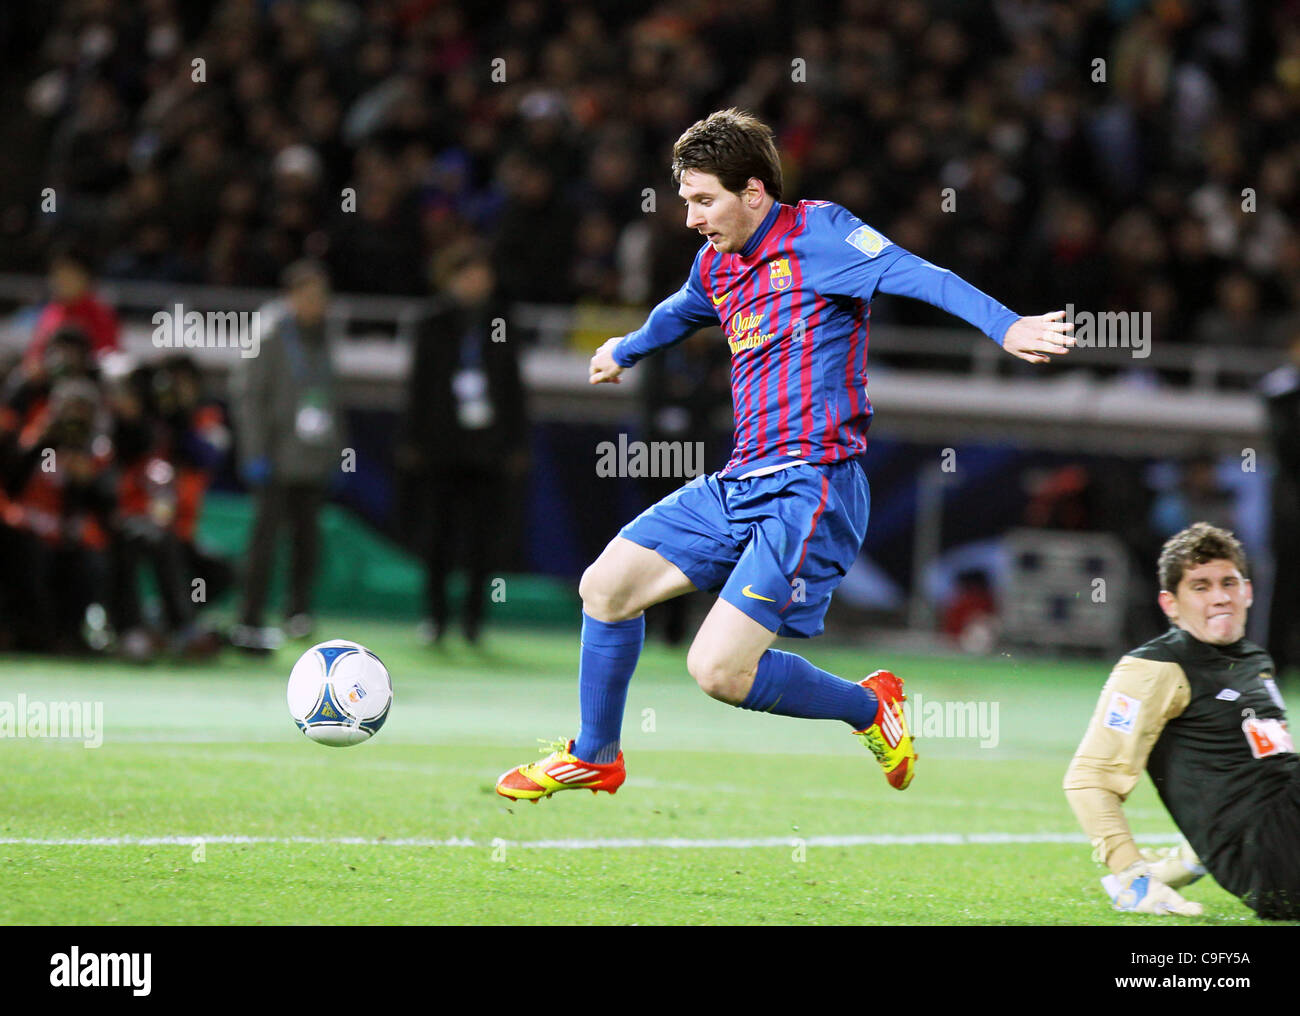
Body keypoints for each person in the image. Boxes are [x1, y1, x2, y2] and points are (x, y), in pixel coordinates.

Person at [497, 109, 1075, 802]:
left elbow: (919, 274)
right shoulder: (717, 262)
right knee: (606, 588)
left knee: (717, 673)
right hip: (741, 479)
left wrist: (1006, 324)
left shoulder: (823, 234)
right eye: (686, 201)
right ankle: (595, 754)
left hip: (812, 487)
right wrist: (627, 348)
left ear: (754, 193)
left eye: (703, 200)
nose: (691, 218)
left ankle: (869, 707)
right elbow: (681, 309)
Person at [1064, 522, 1298, 920]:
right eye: (1201, 587)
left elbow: (1261, 776)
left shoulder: (1254, 661)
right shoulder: (1156, 667)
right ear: (1170, 604)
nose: (1220, 597)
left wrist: (1187, 862)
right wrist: (1134, 878)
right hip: (1268, 862)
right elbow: (1088, 778)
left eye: (1229, 582)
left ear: (1248, 592)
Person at [397, 243, 526, 645]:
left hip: (487, 450)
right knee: (437, 537)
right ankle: (434, 619)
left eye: (482, 273)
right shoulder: (431, 321)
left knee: (482, 540)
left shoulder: (501, 321)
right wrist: (413, 440)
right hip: (441, 449)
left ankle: (474, 621)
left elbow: (513, 389)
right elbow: (417, 387)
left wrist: (516, 442)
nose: (479, 281)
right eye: (469, 273)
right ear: (451, 277)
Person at [229, 260, 341, 653]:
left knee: (308, 541)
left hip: (310, 456)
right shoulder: (268, 333)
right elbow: (248, 397)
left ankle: (298, 611)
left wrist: (334, 449)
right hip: (275, 456)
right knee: (265, 540)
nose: (317, 303)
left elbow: (330, 395)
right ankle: (250, 615)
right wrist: (256, 452)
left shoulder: (322, 335)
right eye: (309, 295)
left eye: (321, 296)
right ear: (290, 296)